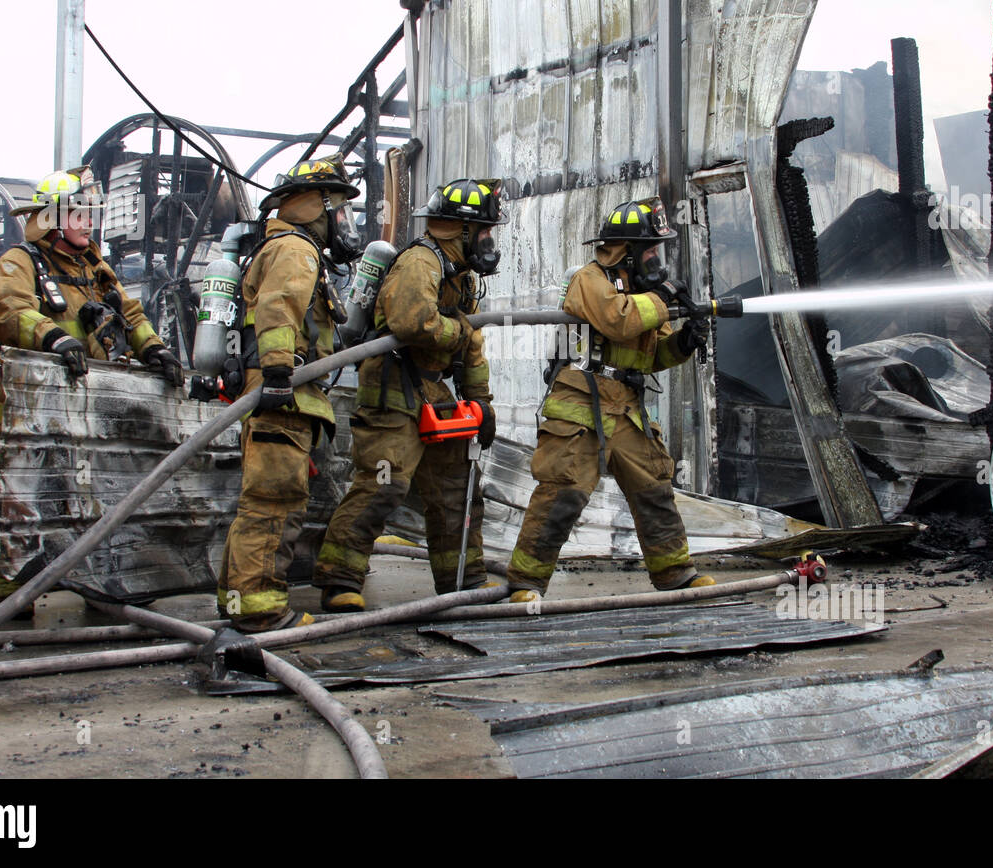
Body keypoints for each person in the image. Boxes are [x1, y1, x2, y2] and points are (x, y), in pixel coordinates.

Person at [0, 166, 183, 606]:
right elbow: (5, 310)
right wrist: (52, 336)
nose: (87, 221)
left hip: (89, 408)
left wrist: (154, 349)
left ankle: (103, 587)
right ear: (52, 218)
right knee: (27, 496)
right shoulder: (19, 262)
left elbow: (128, 313)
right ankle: (10, 599)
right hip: (37, 408)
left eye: (90, 212)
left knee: (99, 496)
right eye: (77, 213)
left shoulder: (95, 266)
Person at [504, 199, 715, 603]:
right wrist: (665, 295)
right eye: (651, 250)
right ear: (628, 250)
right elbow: (618, 321)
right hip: (581, 405)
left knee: (654, 487)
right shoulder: (590, 279)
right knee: (563, 492)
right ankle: (525, 582)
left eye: (659, 250)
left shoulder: (643, 292)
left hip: (627, 409)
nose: (657, 258)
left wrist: (685, 342)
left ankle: (675, 572)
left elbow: (655, 354)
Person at [313, 178, 503, 613]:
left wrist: (482, 400)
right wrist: (459, 329)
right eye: (486, 231)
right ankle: (339, 580)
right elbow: (413, 322)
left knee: (457, 489)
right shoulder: (421, 262)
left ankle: (464, 581)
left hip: (435, 392)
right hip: (393, 388)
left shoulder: (461, 276)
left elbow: (471, 346)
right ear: (461, 229)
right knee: (384, 484)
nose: (490, 241)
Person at [215, 156, 362, 632]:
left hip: (287, 390)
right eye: (339, 209)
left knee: (266, 498)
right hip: (283, 391)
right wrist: (280, 372)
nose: (345, 222)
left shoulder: (286, 246)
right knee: (274, 500)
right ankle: (259, 611)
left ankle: (238, 601)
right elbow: (279, 309)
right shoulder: (296, 249)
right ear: (313, 207)